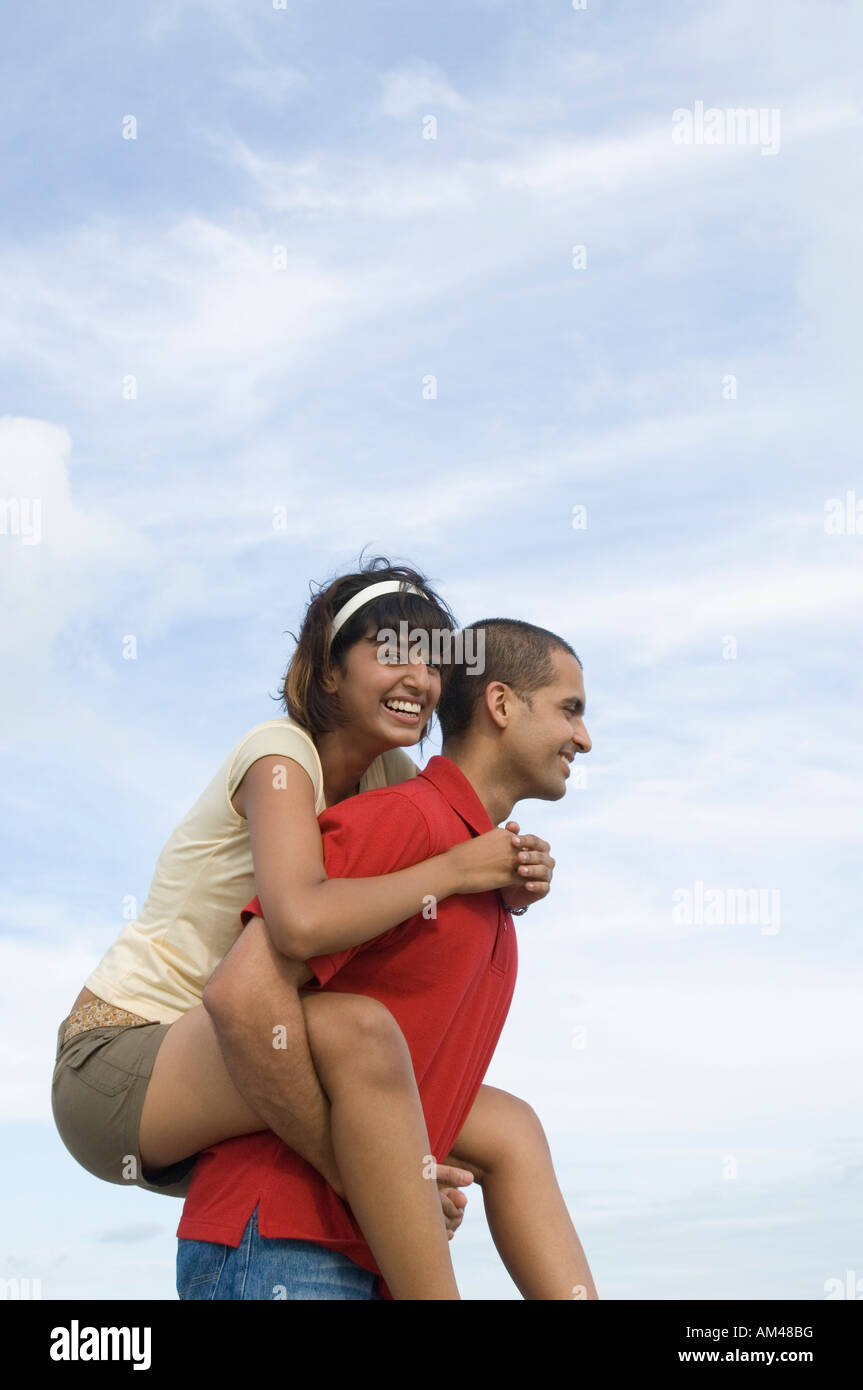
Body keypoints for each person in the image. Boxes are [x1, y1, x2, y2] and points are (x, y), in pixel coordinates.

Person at [51, 559, 556, 1298]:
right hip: (123, 1061)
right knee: (359, 1032)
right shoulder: (279, 756)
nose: (419, 677)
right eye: (392, 653)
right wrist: (381, 1180)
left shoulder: (385, 782)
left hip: (233, 1062)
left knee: (507, 1127)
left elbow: (404, 925)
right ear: (326, 672)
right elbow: (299, 919)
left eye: (434, 663)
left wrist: (508, 885)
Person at [176, 618, 597, 1301]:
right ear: (499, 704)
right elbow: (243, 992)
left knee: (513, 1126)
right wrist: (359, 1174)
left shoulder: (479, 871)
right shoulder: (404, 821)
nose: (583, 738)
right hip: (284, 1241)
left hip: (365, 1253)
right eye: (569, 710)